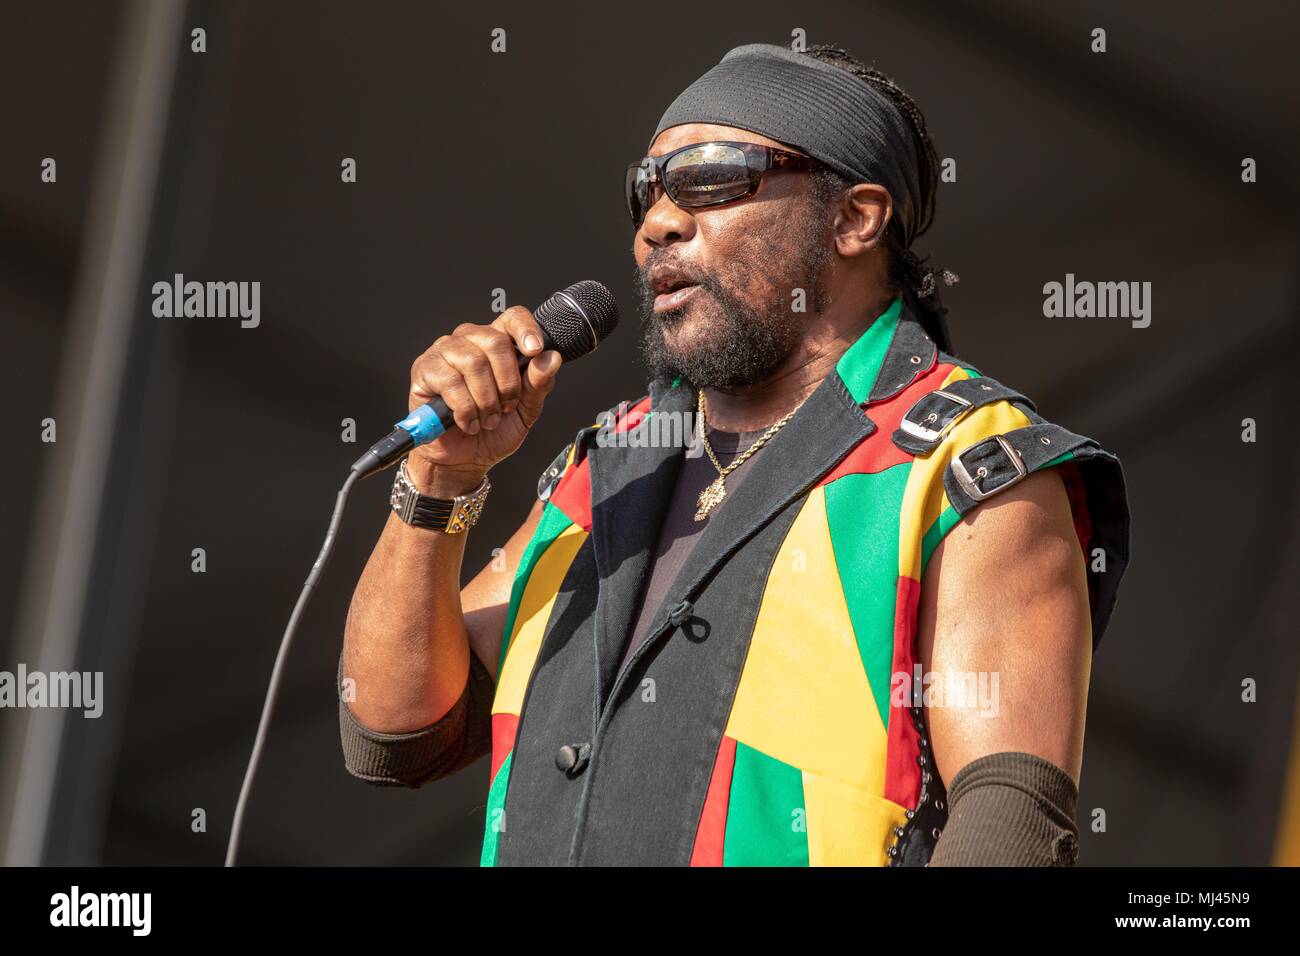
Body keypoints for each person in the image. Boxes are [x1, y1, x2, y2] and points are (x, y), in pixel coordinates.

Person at [336, 41, 1131, 866]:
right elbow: (395, 733)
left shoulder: (968, 468)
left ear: (853, 219)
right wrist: (443, 476)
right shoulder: (608, 464)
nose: (657, 223)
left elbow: (1012, 828)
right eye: (645, 191)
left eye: (711, 178)